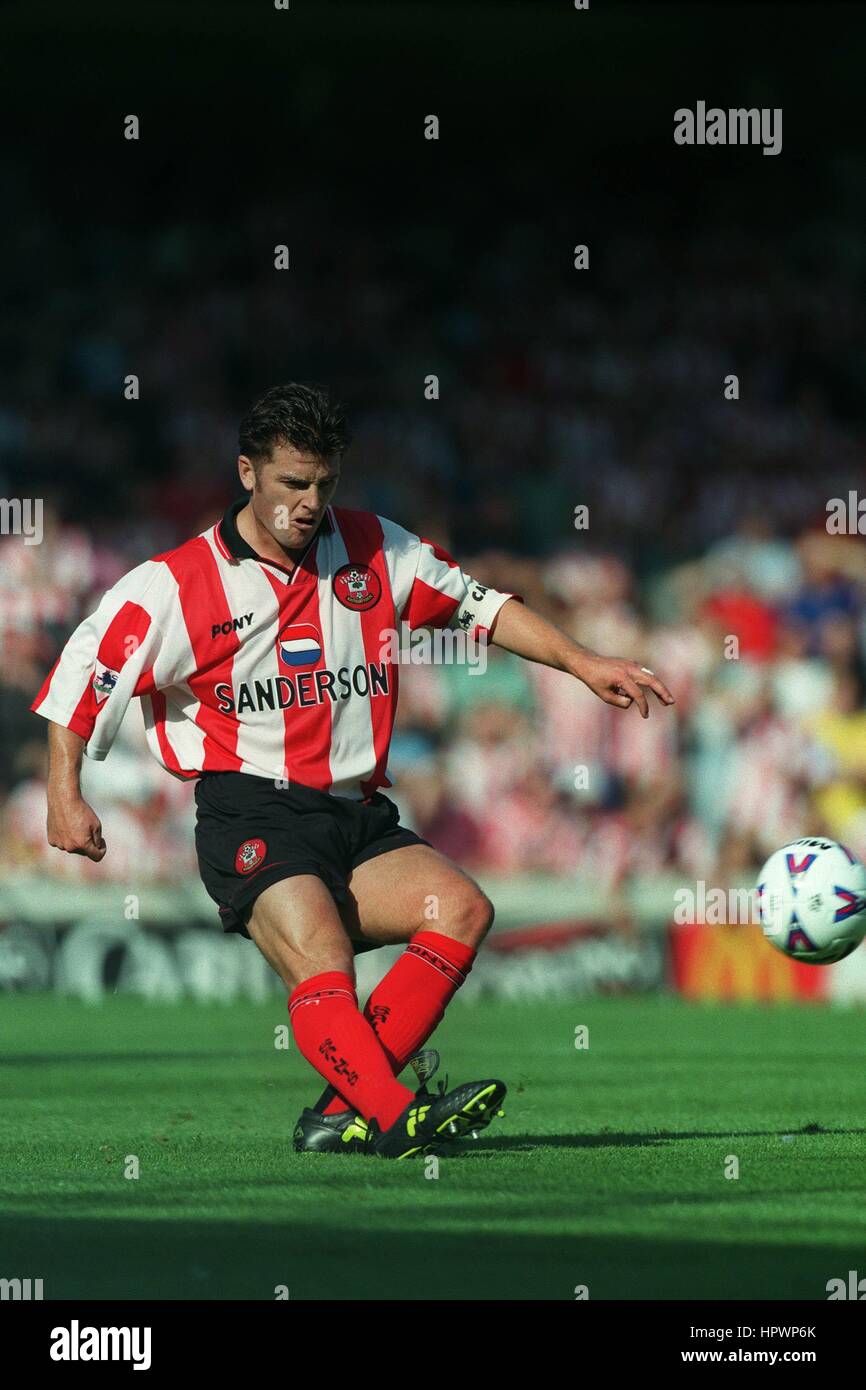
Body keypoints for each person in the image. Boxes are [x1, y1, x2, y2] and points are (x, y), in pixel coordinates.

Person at [31, 382, 675, 1158]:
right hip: (252, 813)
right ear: (247, 473)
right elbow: (82, 680)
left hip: (355, 813)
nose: (309, 503)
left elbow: (483, 607)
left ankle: (340, 1114)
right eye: (292, 484)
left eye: (324, 484)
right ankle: (400, 1120)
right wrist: (64, 794)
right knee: (324, 959)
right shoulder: (173, 585)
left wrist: (580, 660)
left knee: (462, 910)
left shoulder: (375, 548)